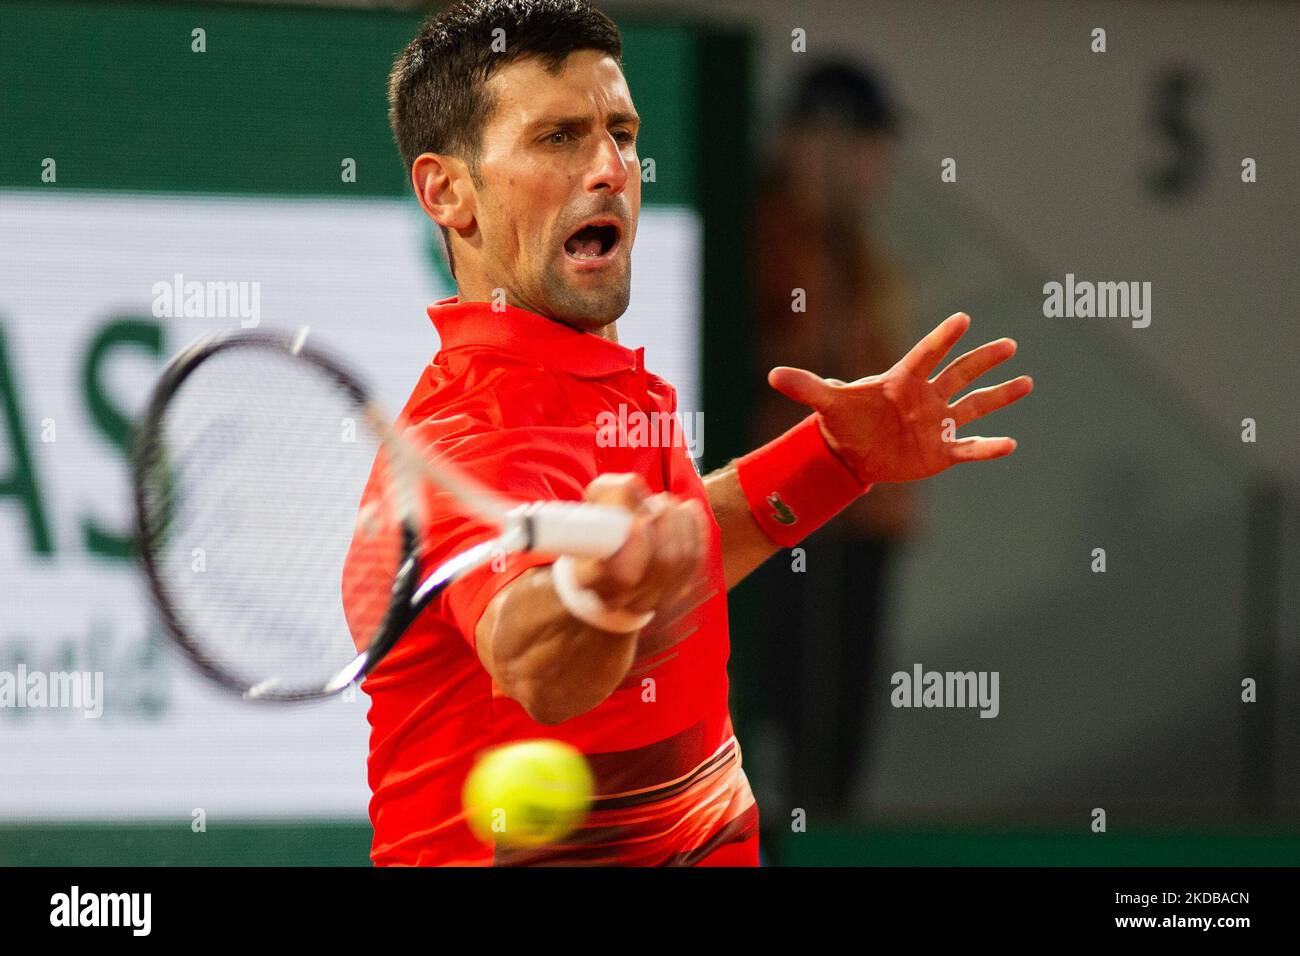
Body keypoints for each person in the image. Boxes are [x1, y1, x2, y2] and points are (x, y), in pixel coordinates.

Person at [344, 0, 1032, 867]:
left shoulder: (595, 380)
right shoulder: (465, 435)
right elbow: (533, 661)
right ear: (447, 191)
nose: (610, 168)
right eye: (558, 138)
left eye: (621, 133)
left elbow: (679, 558)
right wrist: (603, 595)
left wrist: (834, 457)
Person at [750, 62, 916, 820]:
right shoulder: (765, 239)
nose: (880, 167)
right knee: (778, 747)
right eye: (868, 145)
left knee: (835, 766)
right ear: (809, 144)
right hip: (783, 521)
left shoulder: (857, 254)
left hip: (855, 525)